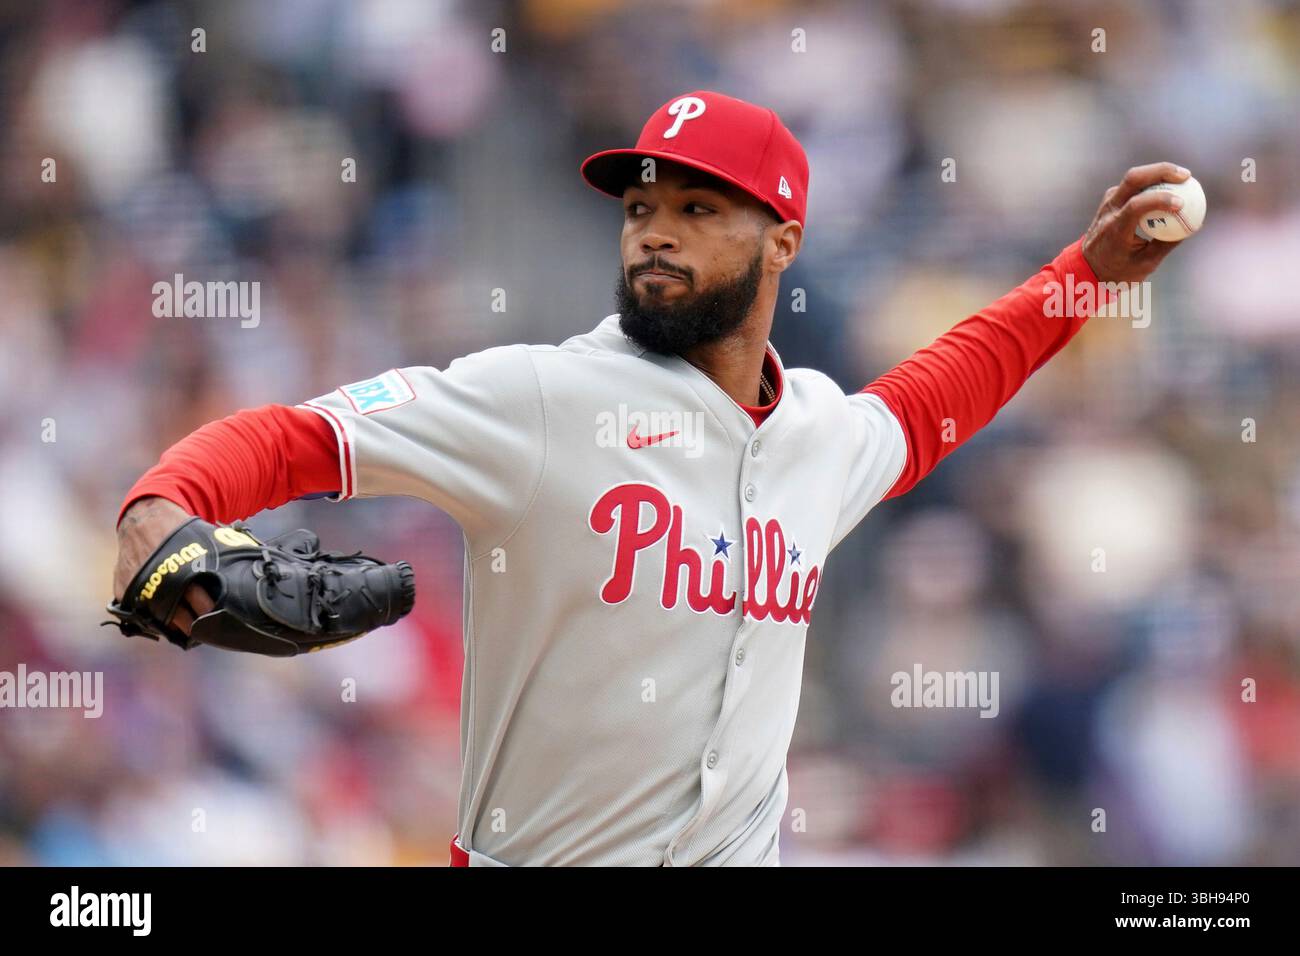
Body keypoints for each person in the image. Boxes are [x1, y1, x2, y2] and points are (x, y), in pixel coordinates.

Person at [112, 90, 1188, 866]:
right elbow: (296, 436)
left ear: (783, 240)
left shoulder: (818, 430)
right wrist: (158, 509)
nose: (654, 235)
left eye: (697, 209)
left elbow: (940, 391)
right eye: (640, 208)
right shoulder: (537, 397)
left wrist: (1086, 276)